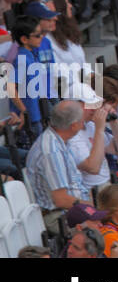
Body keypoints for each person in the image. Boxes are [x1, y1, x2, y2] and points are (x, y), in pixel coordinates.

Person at [23, 99, 91, 233]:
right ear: (74, 125)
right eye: (82, 121)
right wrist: (92, 209)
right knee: (105, 228)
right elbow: (61, 200)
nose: (84, 124)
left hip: (73, 207)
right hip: (59, 216)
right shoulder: (51, 152)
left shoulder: (59, 140)